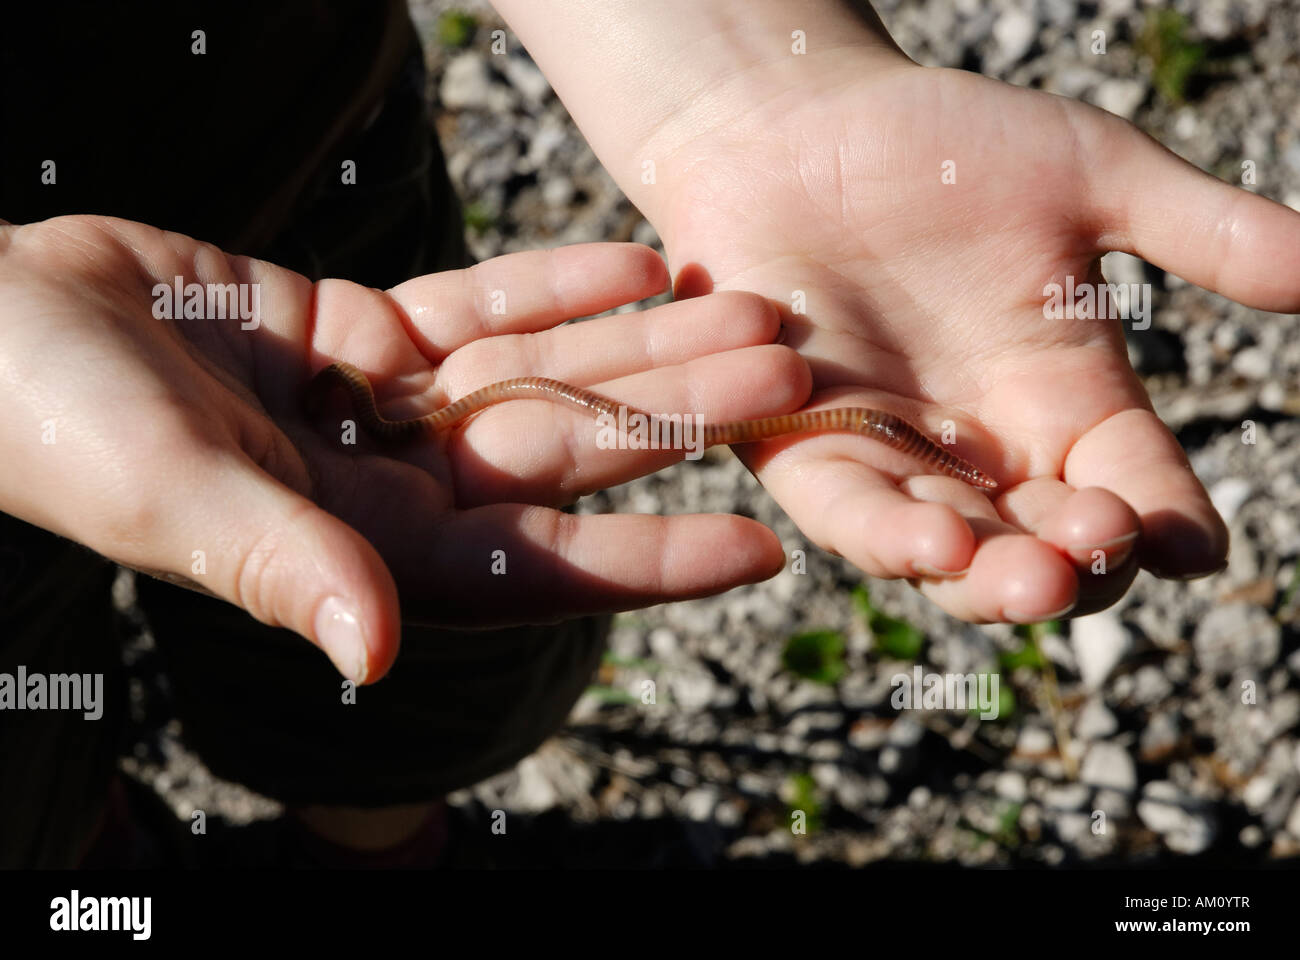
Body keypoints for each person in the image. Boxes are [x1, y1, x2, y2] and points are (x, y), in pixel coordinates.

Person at [5, 0, 1288, 867]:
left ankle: (376, 835)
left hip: (315, 193)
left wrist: (744, 75)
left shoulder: (371, 349)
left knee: (413, 673)